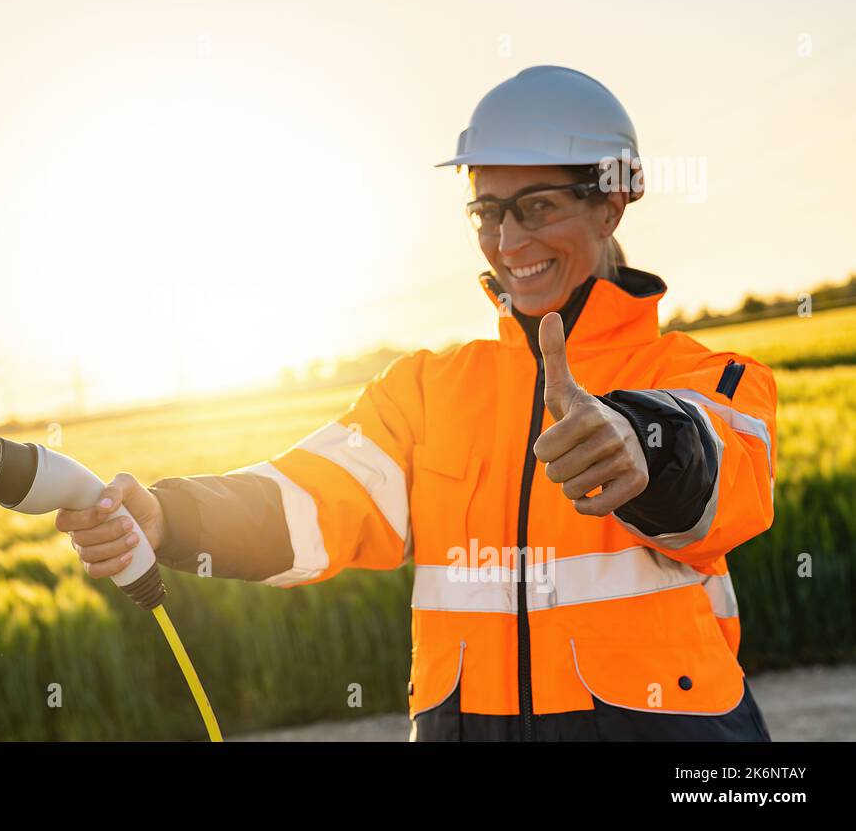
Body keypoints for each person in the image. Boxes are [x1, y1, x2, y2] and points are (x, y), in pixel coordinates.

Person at [55, 66, 778, 741]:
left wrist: (640, 442)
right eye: (487, 211)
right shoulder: (428, 391)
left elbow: (720, 477)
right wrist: (166, 516)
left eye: (537, 207)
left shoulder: (708, 378)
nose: (507, 241)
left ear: (612, 203)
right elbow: (308, 503)